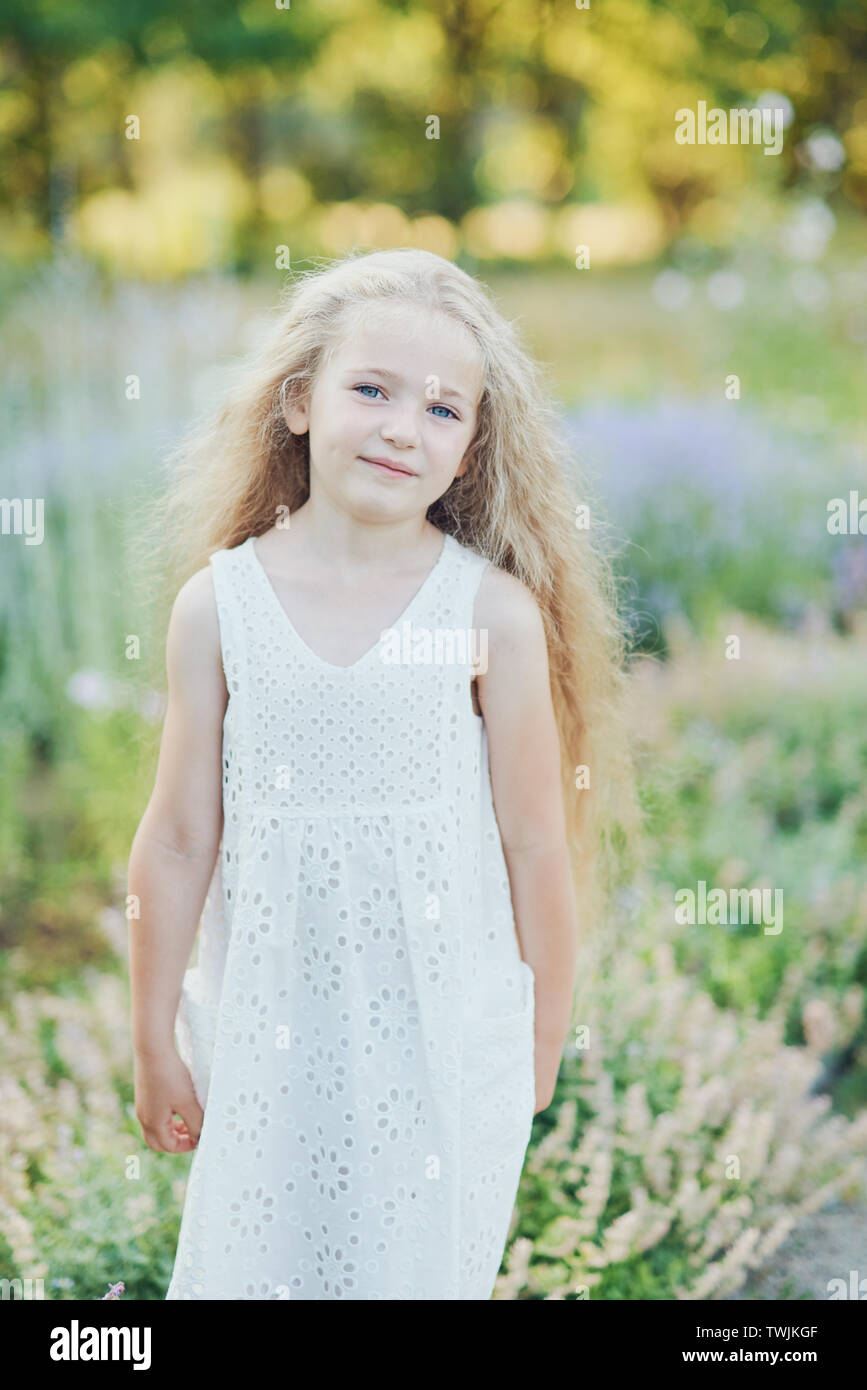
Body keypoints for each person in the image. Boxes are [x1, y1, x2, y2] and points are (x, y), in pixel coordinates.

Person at [128, 247, 639, 1300]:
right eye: (373, 389)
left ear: (470, 450)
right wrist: (152, 1037)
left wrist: (540, 1037)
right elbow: (177, 839)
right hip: (272, 1036)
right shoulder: (219, 609)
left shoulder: (488, 615)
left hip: (445, 1043)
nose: (406, 425)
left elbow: (536, 841)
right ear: (302, 401)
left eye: (446, 410)